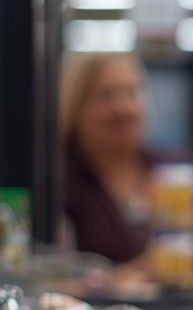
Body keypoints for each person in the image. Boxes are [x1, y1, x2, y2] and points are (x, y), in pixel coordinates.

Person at [59, 52, 155, 264]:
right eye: (106, 96)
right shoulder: (61, 184)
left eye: (131, 92)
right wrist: (126, 277)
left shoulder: (166, 172)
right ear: (76, 106)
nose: (123, 108)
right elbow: (55, 272)